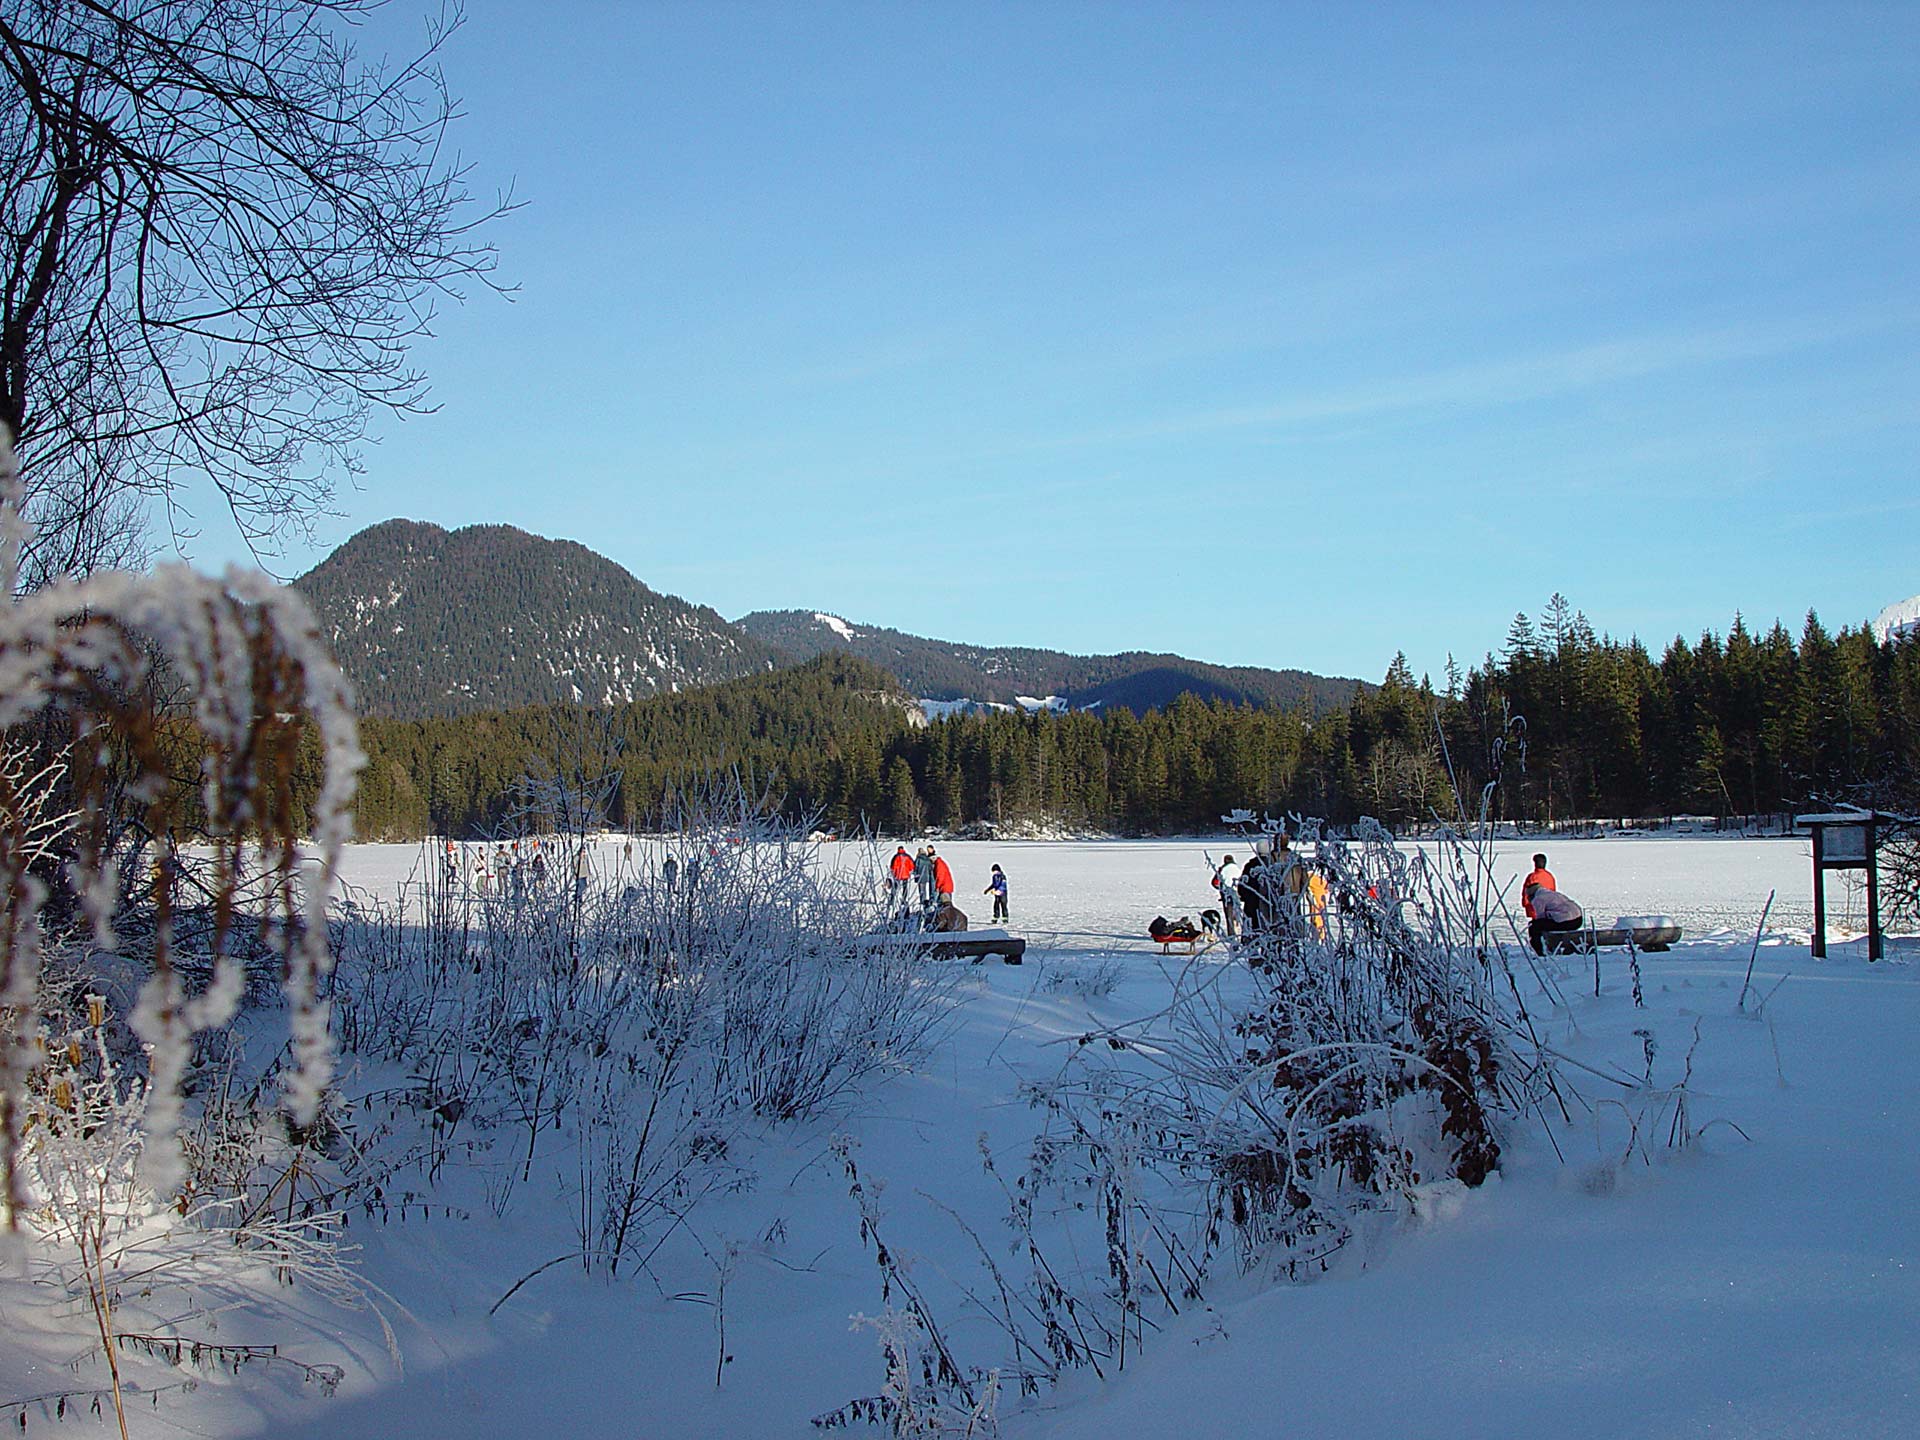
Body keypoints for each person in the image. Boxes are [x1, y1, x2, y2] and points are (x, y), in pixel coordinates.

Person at [1527, 884, 1584, 955]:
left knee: (1534, 926)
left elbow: (1540, 916)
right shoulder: (1551, 893)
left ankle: (1538, 951)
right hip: (1578, 919)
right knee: (1546, 923)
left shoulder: (1538, 899)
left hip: (1567, 921)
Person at [1213, 855, 1242, 936]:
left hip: (1227, 894)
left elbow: (1215, 882)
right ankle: (1239, 930)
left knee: (1229, 915)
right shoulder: (1237, 869)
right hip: (1237, 893)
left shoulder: (1223, 869)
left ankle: (1232, 934)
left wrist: (1221, 890)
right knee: (1237, 913)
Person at [1522, 853, 1556, 919]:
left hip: (1535, 907)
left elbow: (1526, 892)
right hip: (1548, 907)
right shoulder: (1550, 876)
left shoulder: (1532, 877)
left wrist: (1526, 904)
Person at [888, 845, 915, 914]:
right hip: (905, 874)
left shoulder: (896, 857)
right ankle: (904, 899)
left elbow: (893, 866)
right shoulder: (907, 856)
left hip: (898, 874)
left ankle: (892, 899)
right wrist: (909, 870)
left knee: (895, 887)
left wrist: (893, 872)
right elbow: (912, 865)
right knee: (905, 888)